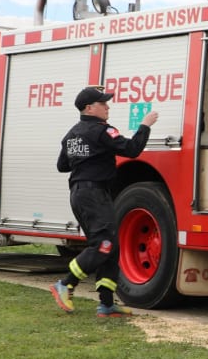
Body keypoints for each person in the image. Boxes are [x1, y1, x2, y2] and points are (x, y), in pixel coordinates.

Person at [51, 86, 159, 318]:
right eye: (103, 103)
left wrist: (87, 157)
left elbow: (62, 166)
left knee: (112, 247)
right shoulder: (102, 131)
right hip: (94, 194)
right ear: (90, 108)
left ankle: (106, 304)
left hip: (80, 194)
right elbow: (132, 149)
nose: (108, 107)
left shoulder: (71, 134)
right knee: (103, 246)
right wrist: (145, 125)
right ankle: (65, 284)